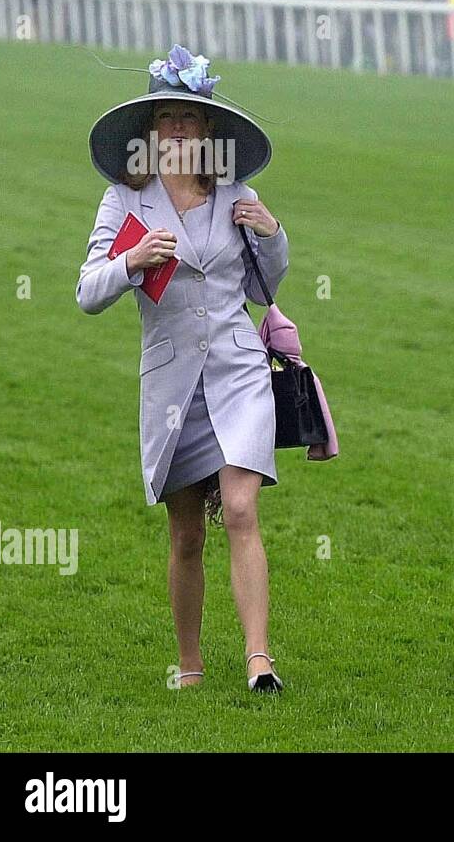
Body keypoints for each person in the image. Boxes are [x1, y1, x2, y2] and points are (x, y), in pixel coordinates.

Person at [78, 45, 290, 693]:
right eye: (166, 116)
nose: (177, 128)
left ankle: (260, 661)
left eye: (189, 118)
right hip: (171, 385)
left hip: (239, 371)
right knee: (187, 534)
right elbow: (89, 293)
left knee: (240, 508)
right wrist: (133, 259)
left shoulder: (237, 194)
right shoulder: (124, 201)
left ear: (207, 131)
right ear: (150, 130)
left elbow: (266, 286)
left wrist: (272, 233)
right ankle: (191, 664)